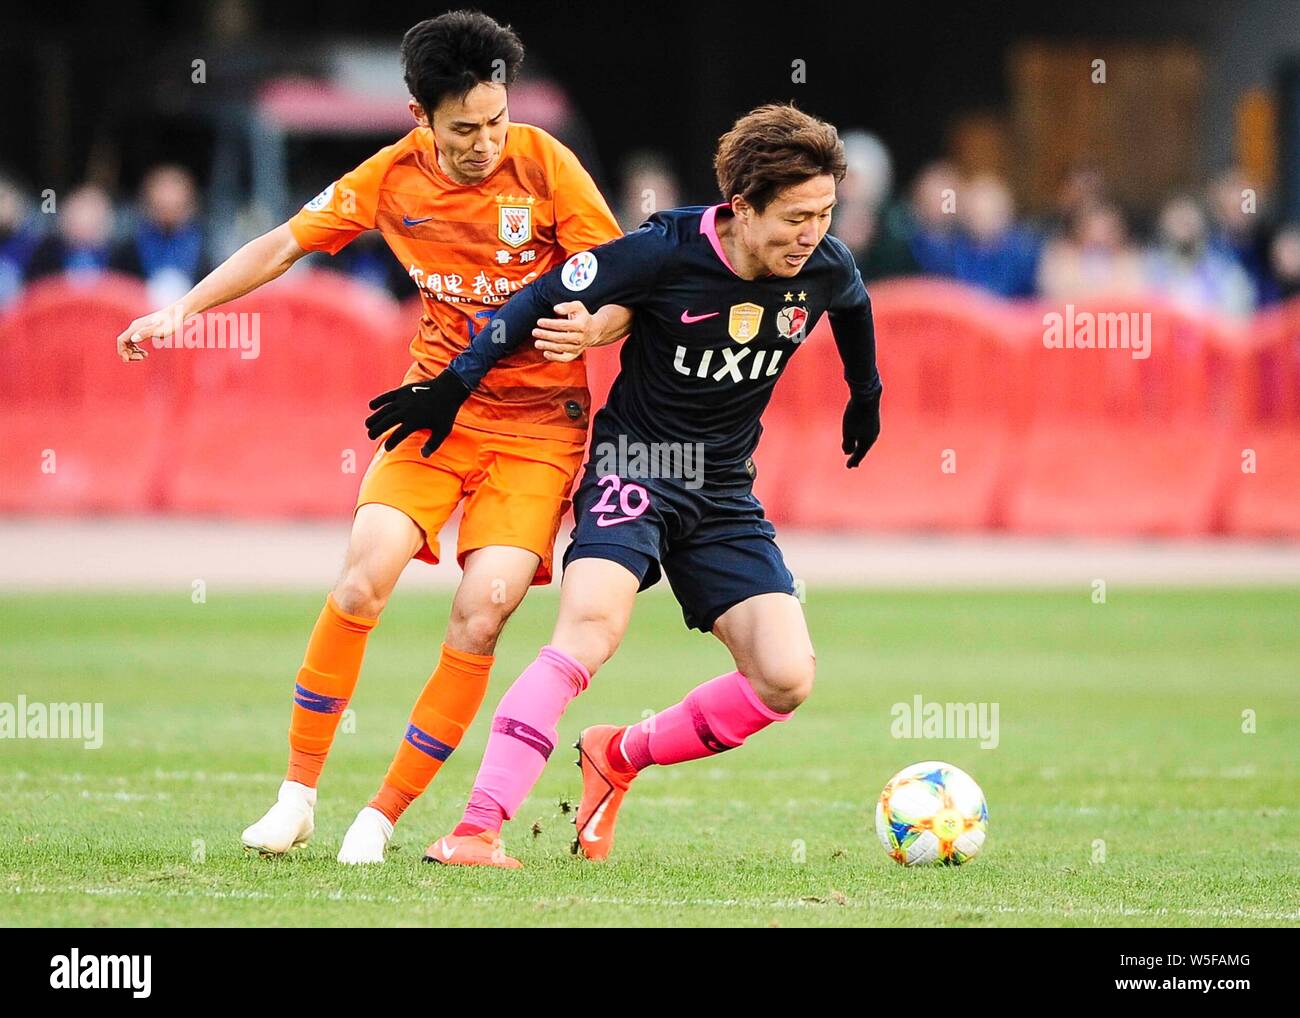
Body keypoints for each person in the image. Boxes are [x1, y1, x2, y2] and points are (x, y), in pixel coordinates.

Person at [114, 10, 630, 865]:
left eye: (496, 121)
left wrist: (595, 332)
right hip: (434, 413)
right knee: (361, 581)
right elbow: (283, 245)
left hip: (540, 431)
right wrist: (182, 310)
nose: (485, 142)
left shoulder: (547, 164)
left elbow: (623, 282)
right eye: (464, 128)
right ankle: (297, 799)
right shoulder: (390, 178)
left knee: (483, 610)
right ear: (419, 117)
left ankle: (384, 816)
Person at [363, 103, 882, 866]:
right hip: (635, 469)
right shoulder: (663, 251)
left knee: (785, 678)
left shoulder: (823, 263)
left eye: (825, 214)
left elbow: (855, 303)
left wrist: (866, 394)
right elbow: (538, 297)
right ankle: (477, 829)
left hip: (723, 491)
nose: (813, 235)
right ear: (741, 209)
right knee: (589, 634)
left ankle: (620, 755)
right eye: (796, 217)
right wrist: (455, 383)